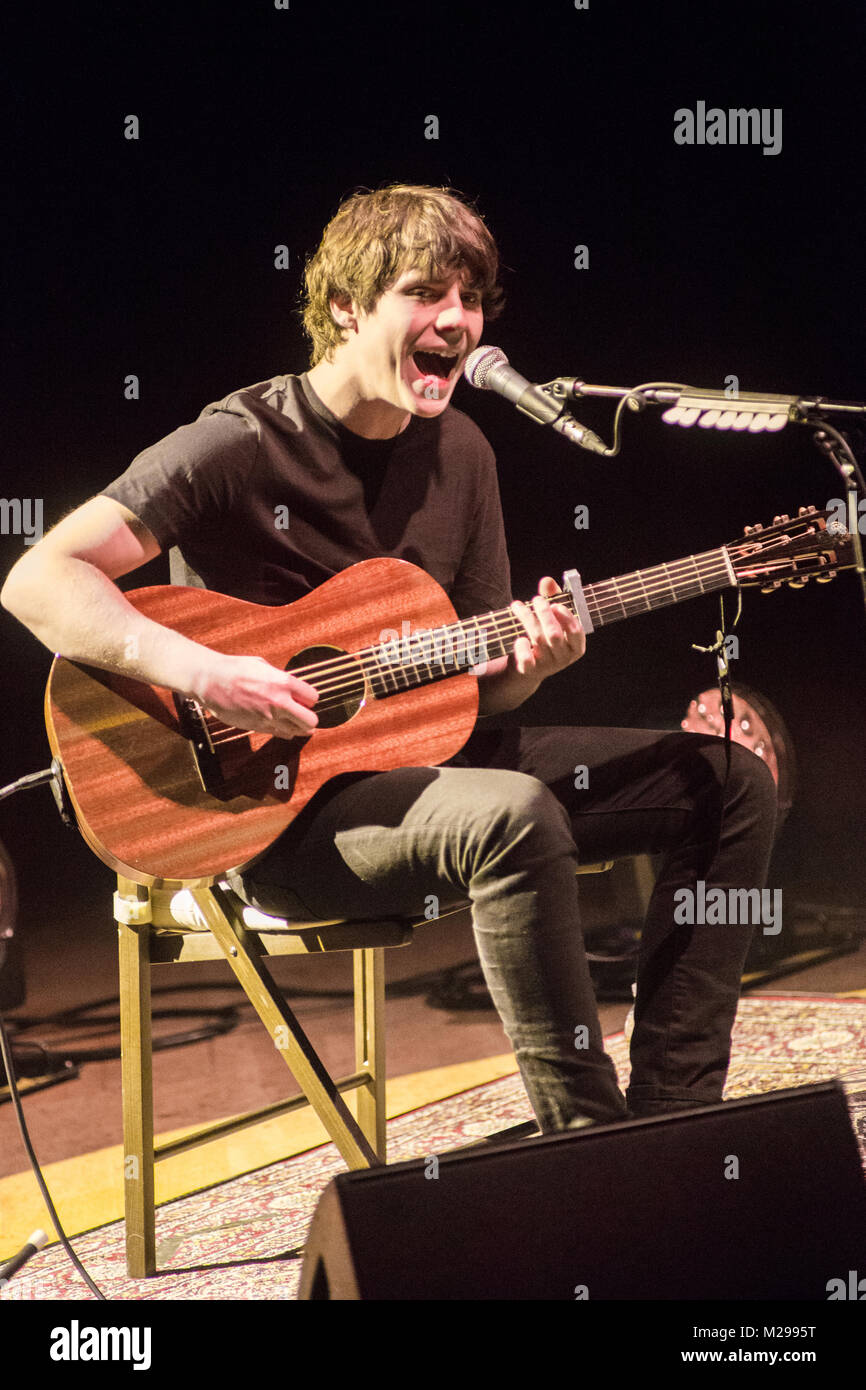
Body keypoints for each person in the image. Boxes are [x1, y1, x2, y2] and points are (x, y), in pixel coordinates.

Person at [1, 183, 777, 1133]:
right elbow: (39, 578)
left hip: (424, 770)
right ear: (344, 307)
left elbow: (477, 700)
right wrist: (207, 675)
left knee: (730, 777)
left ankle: (675, 1117)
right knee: (514, 816)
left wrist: (535, 664)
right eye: (425, 293)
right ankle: (592, 1146)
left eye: (471, 298)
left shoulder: (463, 454)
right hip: (272, 815)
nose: (456, 320)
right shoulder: (238, 442)